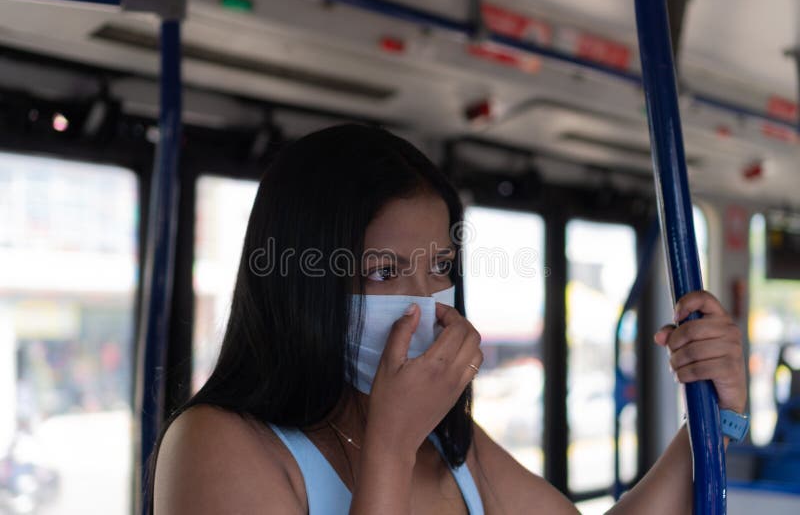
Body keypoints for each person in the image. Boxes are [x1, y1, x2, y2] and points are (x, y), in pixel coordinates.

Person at [151, 124, 746, 514]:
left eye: (440, 267)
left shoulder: (453, 446)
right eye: (382, 272)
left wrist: (716, 418)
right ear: (302, 288)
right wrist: (389, 449)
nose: (423, 302)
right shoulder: (217, 444)